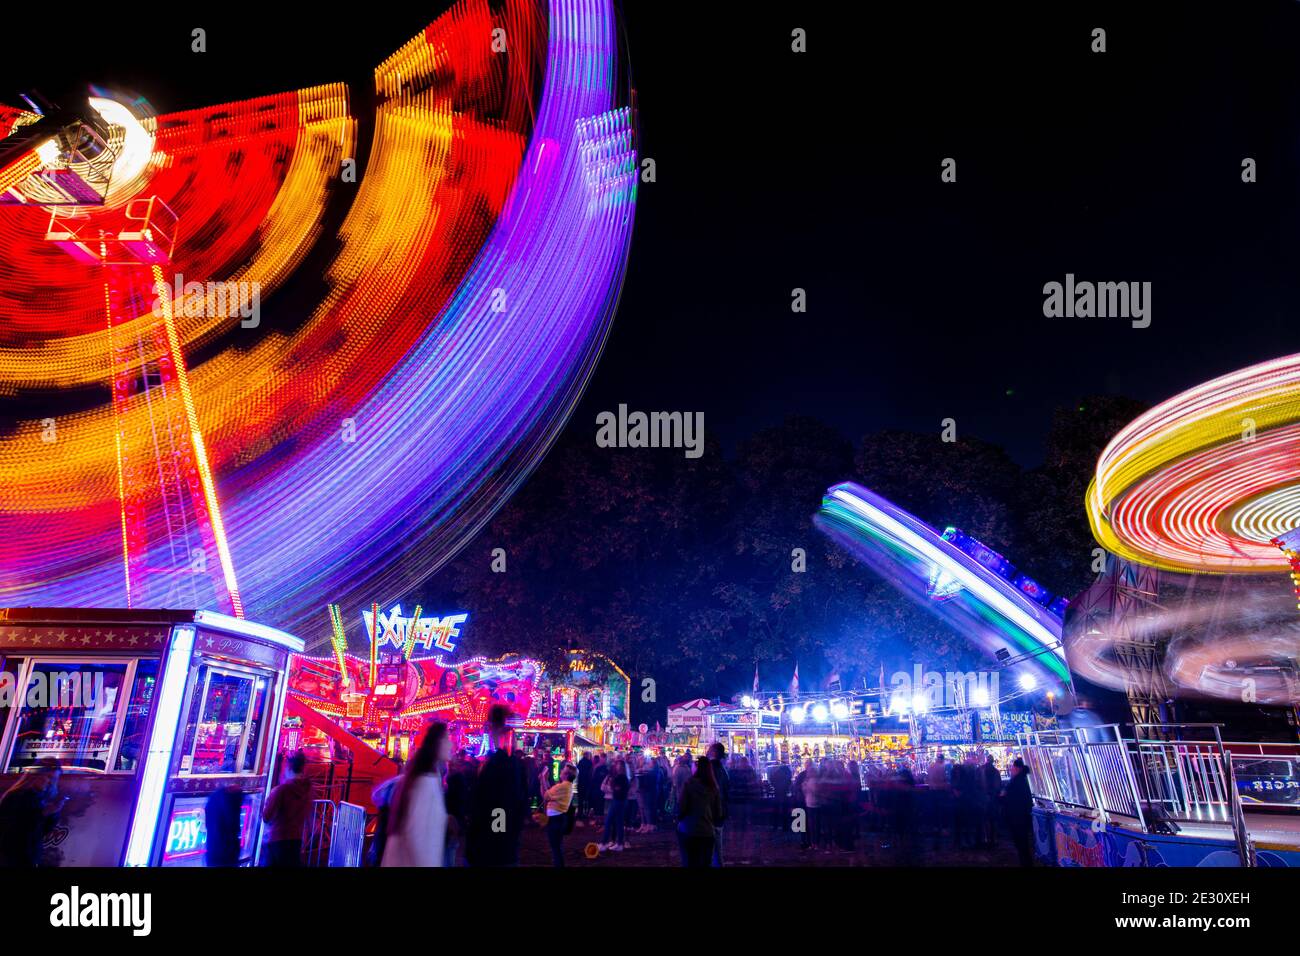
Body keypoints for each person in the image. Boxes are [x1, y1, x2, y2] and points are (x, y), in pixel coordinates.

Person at [466, 706, 527, 866]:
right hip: (503, 841)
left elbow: (499, 806)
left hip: (494, 845)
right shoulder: (511, 763)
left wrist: (496, 838)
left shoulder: (499, 763)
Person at [382, 722, 450, 867]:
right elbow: (415, 835)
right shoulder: (426, 781)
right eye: (447, 739)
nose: (451, 744)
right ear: (438, 743)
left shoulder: (422, 777)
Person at [0, 758, 67, 867]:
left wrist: (54, 813)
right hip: (13, 858)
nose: (50, 782)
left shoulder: (40, 797)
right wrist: (43, 813)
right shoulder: (17, 796)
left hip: (28, 857)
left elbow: (42, 831)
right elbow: (16, 830)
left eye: (54, 779)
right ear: (36, 775)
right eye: (49, 777)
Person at [262, 751, 313, 866]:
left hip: (277, 840)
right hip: (296, 840)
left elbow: (266, 816)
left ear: (288, 768)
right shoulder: (307, 791)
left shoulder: (281, 790)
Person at [677, 756, 724, 867]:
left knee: (690, 861)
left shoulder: (689, 784)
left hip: (689, 829)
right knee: (706, 862)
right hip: (707, 830)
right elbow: (718, 813)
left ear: (696, 768)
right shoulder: (713, 787)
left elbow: (681, 808)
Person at [1003, 757, 1034, 867]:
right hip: (1022, 815)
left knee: (1021, 842)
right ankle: (1026, 862)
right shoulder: (1023, 780)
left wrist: (1003, 795)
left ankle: (1026, 863)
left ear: (1017, 768)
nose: (1011, 770)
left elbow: (1010, 797)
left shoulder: (1016, 781)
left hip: (1017, 816)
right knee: (1023, 842)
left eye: (1013, 768)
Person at [543, 765, 577, 866]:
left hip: (555, 819)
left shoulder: (563, 786)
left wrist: (543, 779)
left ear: (567, 775)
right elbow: (549, 792)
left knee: (556, 848)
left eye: (563, 770)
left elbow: (546, 795)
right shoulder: (566, 786)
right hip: (559, 818)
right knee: (557, 847)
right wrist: (544, 780)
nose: (561, 771)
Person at [205, 784, 244, 867]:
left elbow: (208, 822)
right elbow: (233, 828)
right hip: (227, 851)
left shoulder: (215, 797)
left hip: (214, 849)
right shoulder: (233, 801)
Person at [706, 742, 730, 866]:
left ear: (714, 752)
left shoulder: (710, 768)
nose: (707, 750)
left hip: (711, 810)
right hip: (719, 809)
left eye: (710, 749)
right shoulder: (723, 769)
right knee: (717, 844)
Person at [600, 757, 630, 851]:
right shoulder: (623, 777)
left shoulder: (621, 777)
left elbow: (616, 788)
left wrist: (611, 785)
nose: (616, 766)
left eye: (617, 765)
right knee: (619, 822)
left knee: (609, 821)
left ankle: (604, 843)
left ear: (620, 767)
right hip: (621, 800)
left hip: (618, 800)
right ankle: (619, 843)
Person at [982, 754, 1003, 846]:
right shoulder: (996, 771)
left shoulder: (981, 770)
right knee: (993, 819)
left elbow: (979, 784)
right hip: (993, 797)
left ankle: (987, 838)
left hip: (985, 797)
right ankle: (993, 839)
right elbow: (998, 785)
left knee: (986, 819)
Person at [769, 760, 792, 831]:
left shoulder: (774, 770)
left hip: (777, 791)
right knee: (784, 809)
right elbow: (789, 779)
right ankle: (785, 826)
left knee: (776, 809)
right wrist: (787, 787)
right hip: (784, 791)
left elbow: (771, 779)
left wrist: (776, 786)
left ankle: (775, 826)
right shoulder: (786, 769)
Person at [576, 751, 594, 820]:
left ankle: (579, 813)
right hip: (587, 783)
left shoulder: (580, 762)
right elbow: (591, 773)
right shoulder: (589, 763)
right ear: (587, 755)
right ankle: (585, 813)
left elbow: (577, 771)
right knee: (586, 799)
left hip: (580, 782)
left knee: (580, 799)